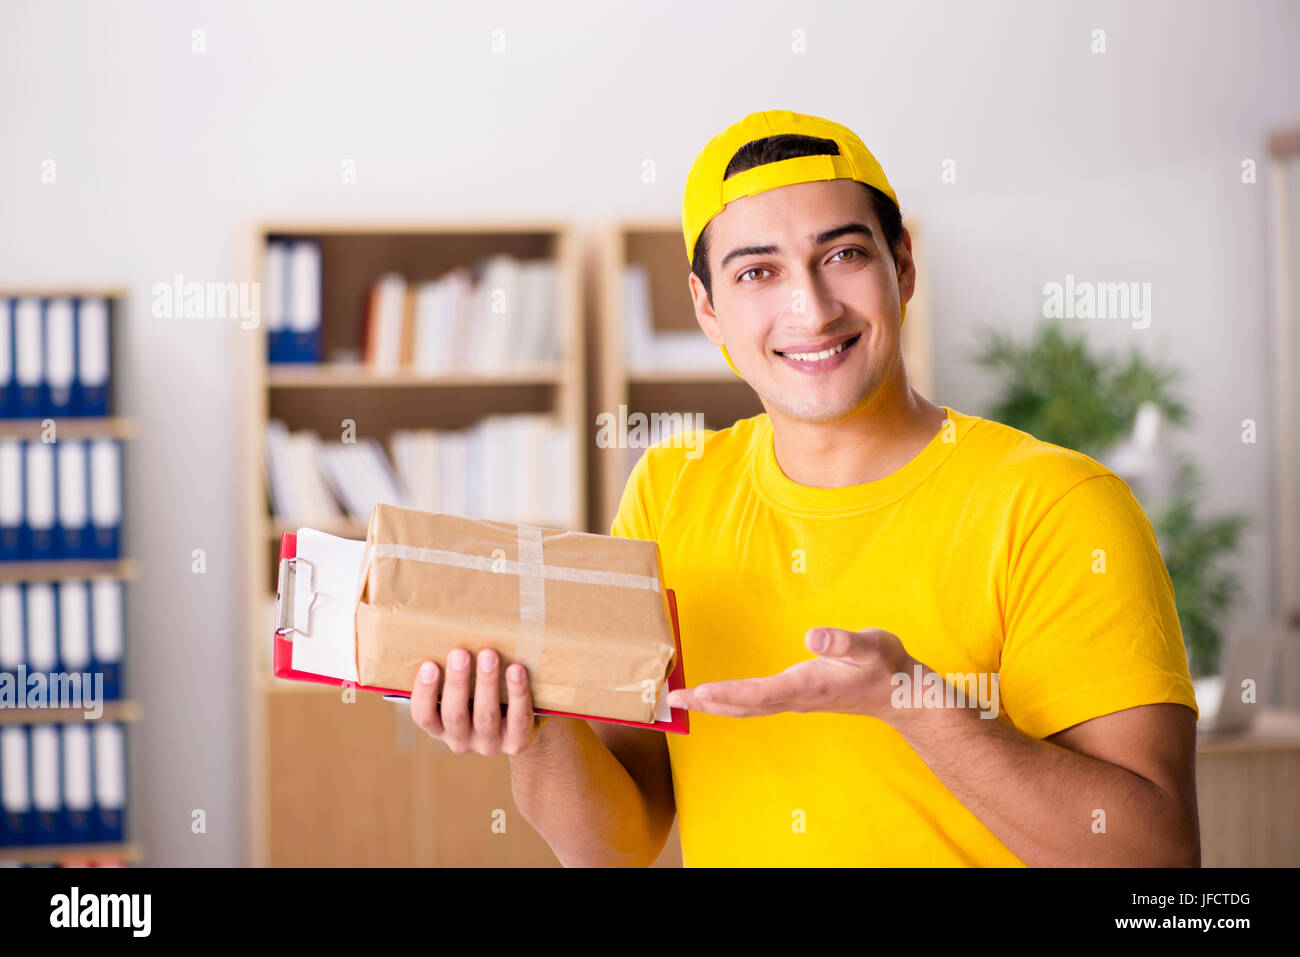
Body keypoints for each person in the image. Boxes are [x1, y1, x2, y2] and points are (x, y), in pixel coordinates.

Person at [407, 109, 1201, 867]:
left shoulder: (1058, 504)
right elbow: (615, 844)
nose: (811, 308)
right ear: (708, 310)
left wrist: (913, 703)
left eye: (843, 255)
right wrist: (534, 722)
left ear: (903, 266)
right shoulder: (669, 490)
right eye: (759, 271)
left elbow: (1153, 855)